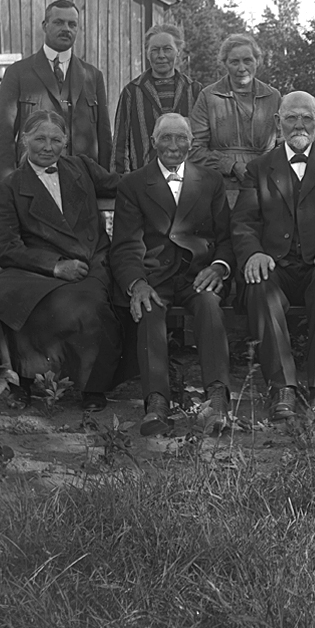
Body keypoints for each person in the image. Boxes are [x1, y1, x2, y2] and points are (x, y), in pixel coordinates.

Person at [232, 91, 315, 422]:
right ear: (278, 123)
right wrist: (254, 253)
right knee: (259, 282)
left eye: (307, 117)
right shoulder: (260, 168)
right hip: (277, 265)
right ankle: (283, 389)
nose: (299, 124)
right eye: (291, 117)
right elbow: (244, 222)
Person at [0, 110, 121, 410]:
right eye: (40, 139)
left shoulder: (81, 167)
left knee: (88, 302)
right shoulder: (9, 187)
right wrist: (54, 266)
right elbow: (5, 246)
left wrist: (168, 175)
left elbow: (123, 186)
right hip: (35, 265)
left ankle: (92, 385)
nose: (48, 147)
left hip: (88, 260)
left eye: (56, 139)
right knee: (1, 299)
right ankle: (17, 380)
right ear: (23, 142)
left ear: (66, 142)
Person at [110, 113, 235, 436]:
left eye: (181, 139)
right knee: (148, 308)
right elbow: (125, 246)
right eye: (166, 138)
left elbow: (226, 238)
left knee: (209, 305)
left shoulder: (209, 181)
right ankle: (156, 403)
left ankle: (217, 399)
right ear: (154, 143)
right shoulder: (133, 184)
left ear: (192, 145)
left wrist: (218, 267)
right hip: (154, 275)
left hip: (198, 274)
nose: (174, 146)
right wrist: (136, 283)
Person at [0, 0, 111, 182]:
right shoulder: (18, 73)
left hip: (83, 185)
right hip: (33, 184)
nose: (66, 29)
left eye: (72, 24)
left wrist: (104, 186)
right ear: (45, 26)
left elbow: (104, 138)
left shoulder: (92, 76)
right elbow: (4, 136)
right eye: (59, 22)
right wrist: (7, 186)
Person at [188, 33, 282, 200]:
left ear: (257, 61)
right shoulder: (209, 97)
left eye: (247, 60)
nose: (241, 68)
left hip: (265, 187)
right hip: (221, 188)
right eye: (234, 62)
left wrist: (262, 169)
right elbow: (194, 149)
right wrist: (231, 166)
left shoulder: (273, 97)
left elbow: (283, 145)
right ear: (224, 64)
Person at [111, 23, 204, 173]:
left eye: (167, 49)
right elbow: (120, 143)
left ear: (178, 52)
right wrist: (121, 180)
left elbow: (202, 140)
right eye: (155, 50)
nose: (161, 55)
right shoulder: (133, 92)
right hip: (144, 178)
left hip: (187, 181)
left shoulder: (194, 91)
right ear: (147, 53)